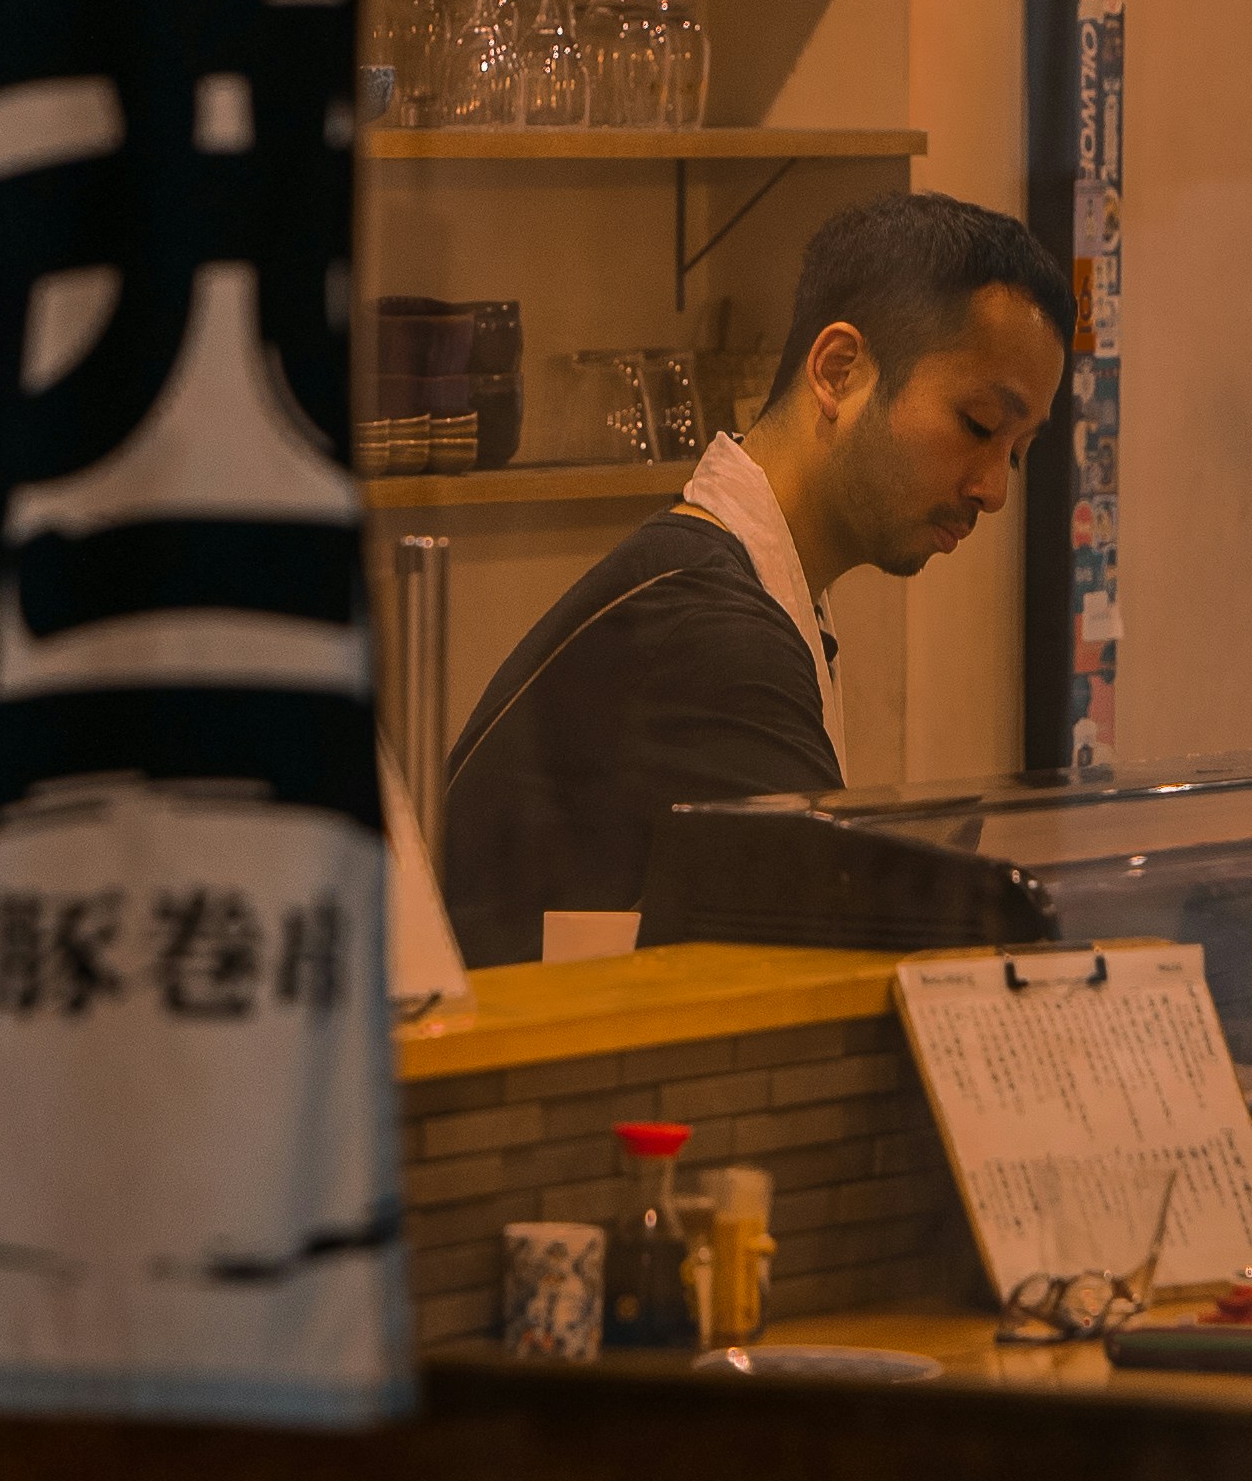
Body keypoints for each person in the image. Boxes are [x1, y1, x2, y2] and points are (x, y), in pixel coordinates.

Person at [437, 190, 1069, 969]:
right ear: (840, 371)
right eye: (977, 425)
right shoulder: (711, 629)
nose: (994, 489)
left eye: (1018, 450)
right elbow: (837, 953)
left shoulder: (735, 584)